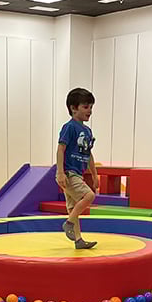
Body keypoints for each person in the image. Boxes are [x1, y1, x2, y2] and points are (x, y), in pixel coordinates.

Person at [56, 87, 98, 249]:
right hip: (68, 172)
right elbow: (61, 149)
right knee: (88, 196)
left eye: (91, 107)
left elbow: (89, 155)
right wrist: (60, 172)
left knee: (74, 207)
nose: (90, 111)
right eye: (86, 107)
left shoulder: (87, 131)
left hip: (77, 174)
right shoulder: (70, 127)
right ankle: (69, 223)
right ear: (73, 108)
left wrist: (94, 175)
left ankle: (78, 240)